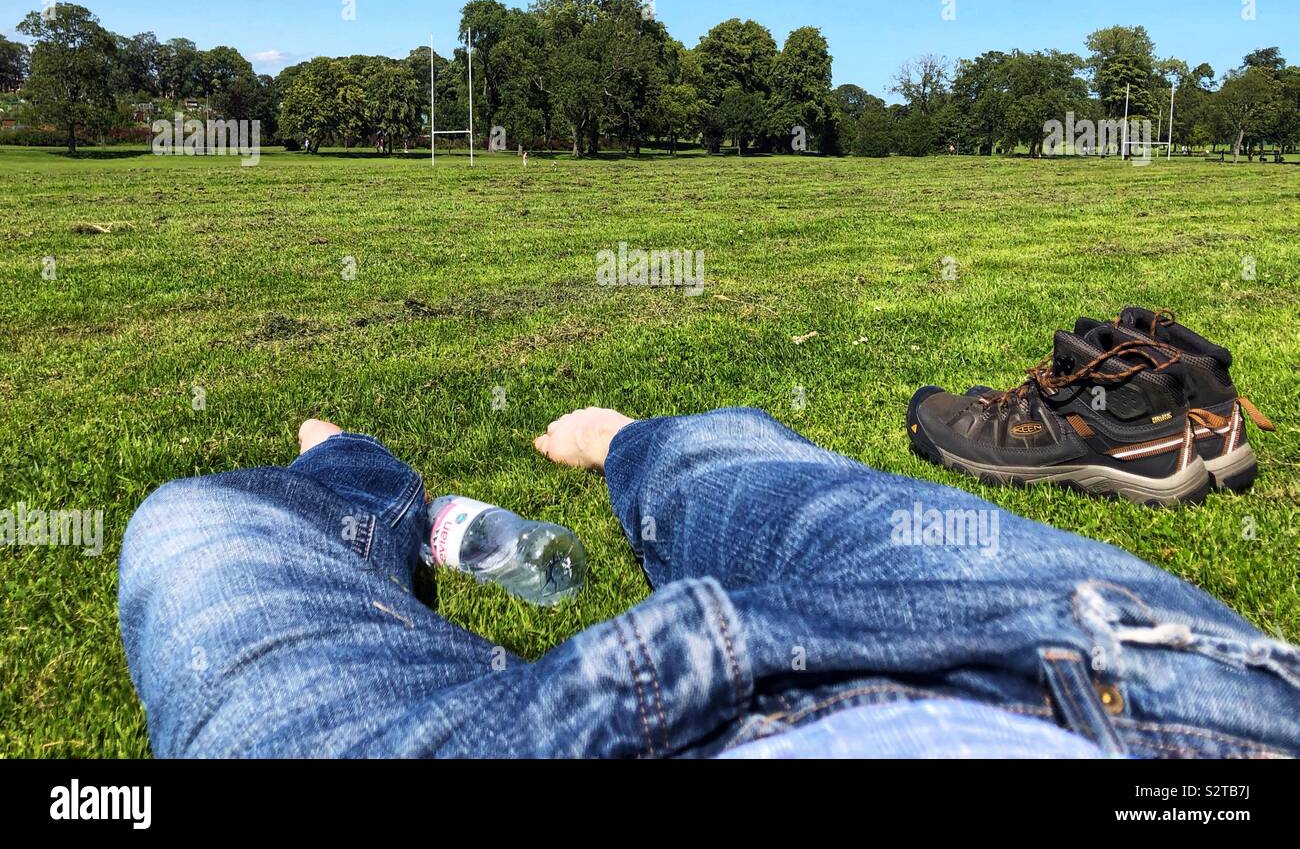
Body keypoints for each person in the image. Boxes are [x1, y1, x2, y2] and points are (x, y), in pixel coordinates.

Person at [118, 407, 1300, 758]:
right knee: (740, 465)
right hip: (1099, 684)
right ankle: (639, 446)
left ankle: (350, 479)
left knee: (194, 530)